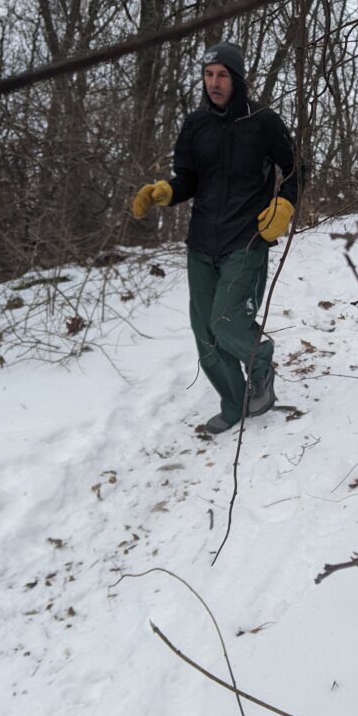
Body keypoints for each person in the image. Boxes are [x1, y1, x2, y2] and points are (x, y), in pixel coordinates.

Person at [132, 41, 300, 435]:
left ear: (237, 78)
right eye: (208, 75)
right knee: (205, 333)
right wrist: (167, 192)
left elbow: (296, 168)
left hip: (246, 239)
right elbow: (188, 178)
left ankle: (261, 363)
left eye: (222, 74)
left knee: (226, 323)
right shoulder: (195, 125)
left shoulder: (264, 121)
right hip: (202, 241)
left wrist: (285, 205)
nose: (214, 83)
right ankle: (235, 401)